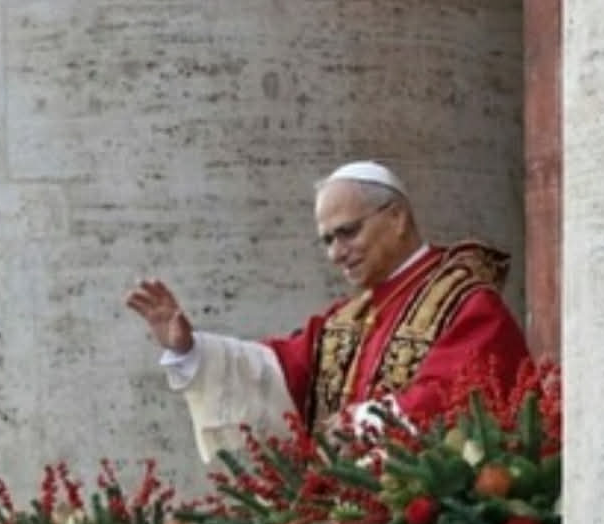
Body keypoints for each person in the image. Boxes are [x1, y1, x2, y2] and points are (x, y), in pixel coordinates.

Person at [125, 161, 530, 461]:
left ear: (397, 218)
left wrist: (362, 423)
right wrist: (192, 352)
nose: (337, 253)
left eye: (348, 232)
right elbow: (274, 372)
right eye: (327, 241)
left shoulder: (467, 301)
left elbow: (460, 396)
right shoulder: (346, 319)